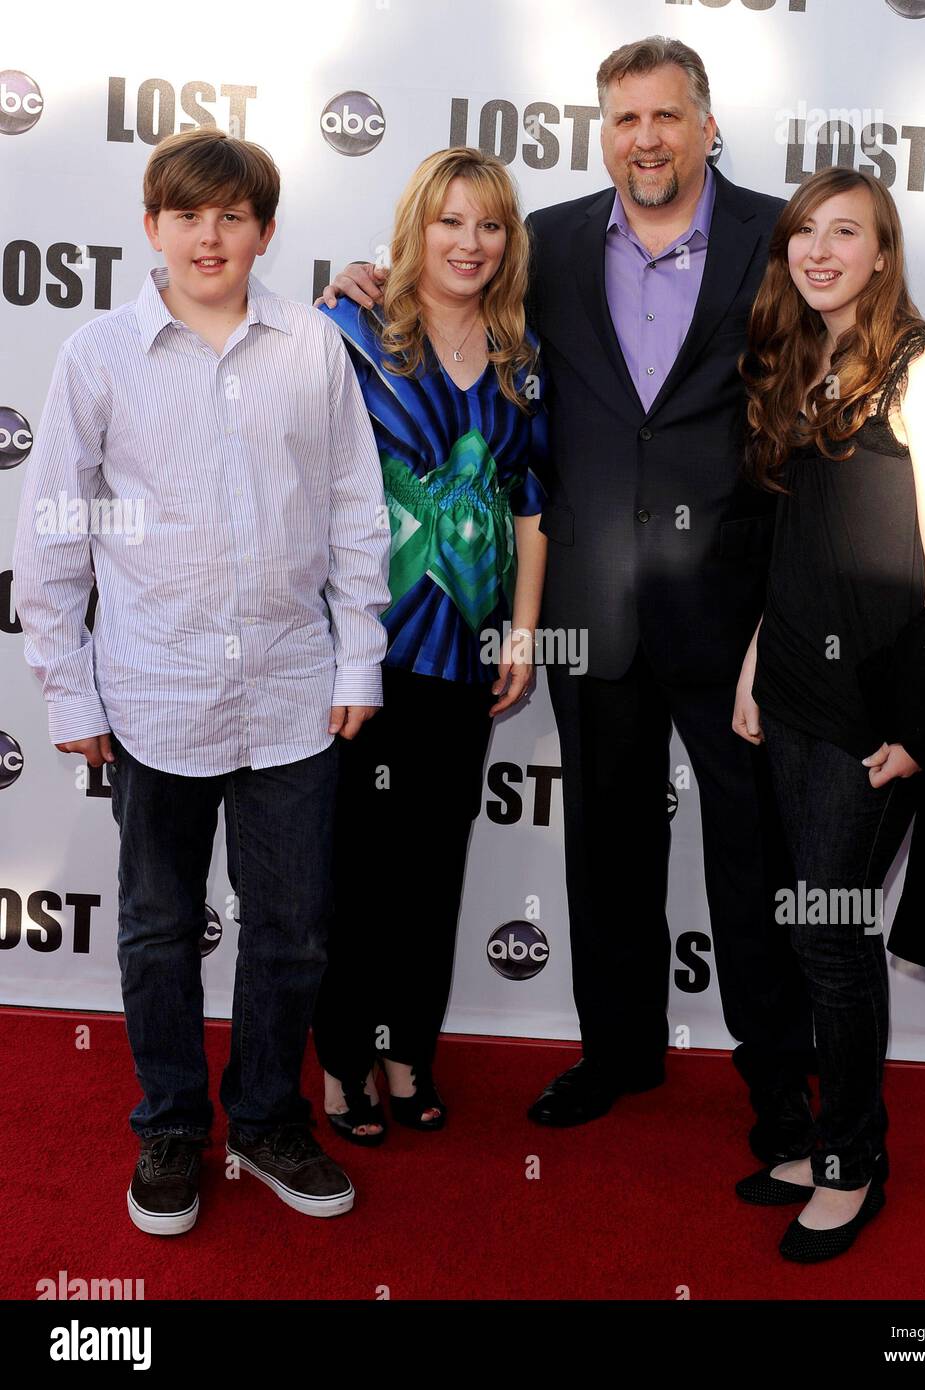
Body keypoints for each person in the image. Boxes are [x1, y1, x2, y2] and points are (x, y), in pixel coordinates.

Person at [320, 37, 815, 1157]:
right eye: (626, 118)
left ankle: (780, 1085)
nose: (647, 137)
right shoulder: (541, 242)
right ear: (604, 131)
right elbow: (440, 286)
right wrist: (355, 276)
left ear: (705, 124)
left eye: (667, 116)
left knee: (751, 851)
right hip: (594, 604)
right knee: (606, 845)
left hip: (730, 610)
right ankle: (618, 1051)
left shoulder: (777, 238)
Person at [13, 128, 392, 1234]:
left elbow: (355, 512)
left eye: (233, 215)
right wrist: (69, 689)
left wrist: (358, 652)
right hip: (152, 690)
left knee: (293, 928)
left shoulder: (314, 350)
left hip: (291, 692)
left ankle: (269, 1117)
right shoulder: (97, 356)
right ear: (152, 229)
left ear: (265, 232)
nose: (210, 234)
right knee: (157, 926)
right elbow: (53, 538)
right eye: (188, 215)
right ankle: (173, 1125)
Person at [732, 166, 925, 1260]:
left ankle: (851, 1160)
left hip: (875, 697)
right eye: (805, 232)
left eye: (848, 233)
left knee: (834, 936)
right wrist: (752, 662)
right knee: (808, 927)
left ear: (883, 255)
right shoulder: (806, 359)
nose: (820, 249)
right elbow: (798, 544)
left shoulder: (918, 366)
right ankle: (840, 1131)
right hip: (787, 678)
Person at [312, 148, 547, 1141]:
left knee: (430, 867)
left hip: (467, 650)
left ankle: (409, 1054)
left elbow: (531, 501)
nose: (470, 243)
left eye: (489, 225)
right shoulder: (347, 330)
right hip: (361, 647)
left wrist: (526, 633)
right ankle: (338, 1067)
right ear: (415, 226)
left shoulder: (521, 356)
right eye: (451, 222)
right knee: (357, 867)